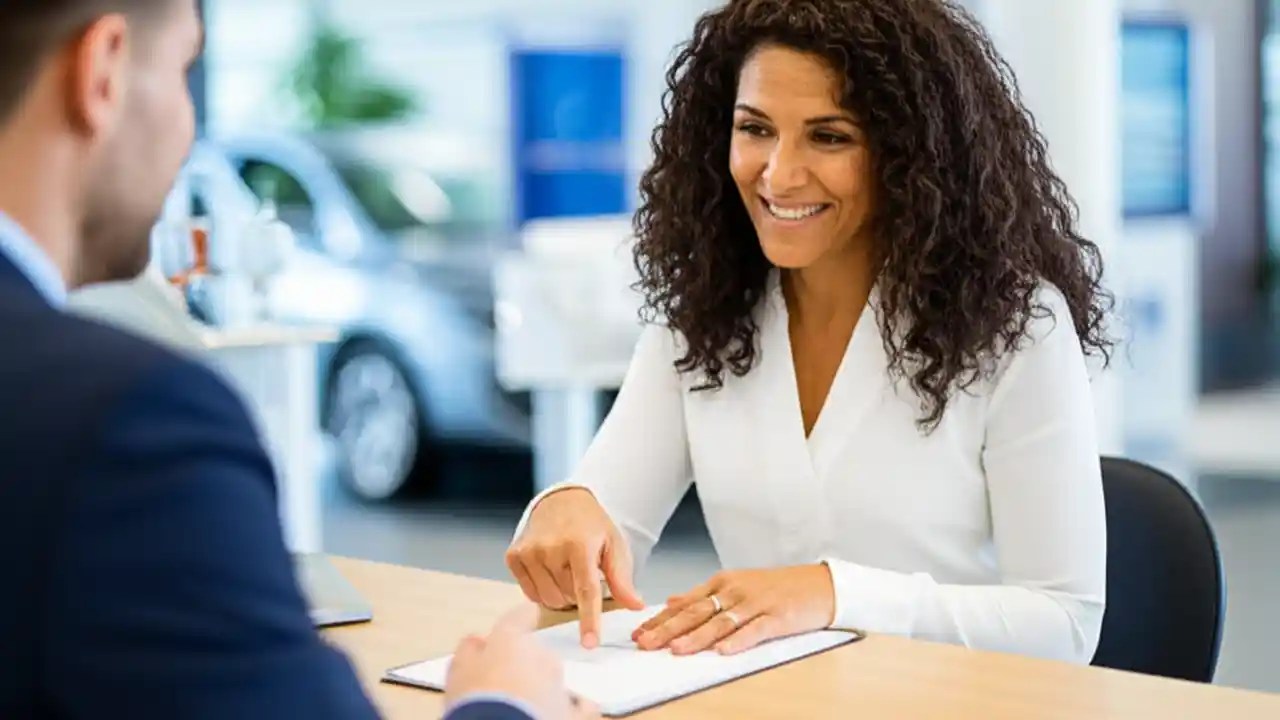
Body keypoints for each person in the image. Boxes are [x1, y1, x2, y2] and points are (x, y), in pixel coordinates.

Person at [0, 2, 591, 718]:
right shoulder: (131, 423)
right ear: (104, 71)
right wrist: (507, 706)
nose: (190, 138)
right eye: (183, 70)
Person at [506, 0, 1113, 665]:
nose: (778, 173)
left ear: (910, 155)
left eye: (829, 137)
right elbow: (603, 521)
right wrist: (564, 513)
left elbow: (1064, 625)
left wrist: (833, 595)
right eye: (755, 129)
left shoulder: (1018, 330)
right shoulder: (704, 315)